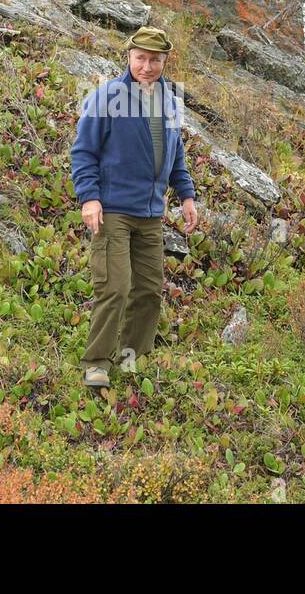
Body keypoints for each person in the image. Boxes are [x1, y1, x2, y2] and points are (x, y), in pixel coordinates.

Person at [69, 25, 199, 389]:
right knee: (115, 287)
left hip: (151, 215)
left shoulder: (170, 102)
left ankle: (132, 359)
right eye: (140, 58)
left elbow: (176, 156)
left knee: (148, 290)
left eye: (154, 60)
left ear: (164, 61)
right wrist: (90, 198)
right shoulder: (107, 97)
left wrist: (186, 196)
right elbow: (82, 153)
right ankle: (96, 363)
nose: (146, 66)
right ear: (129, 57)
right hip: (112, 211)